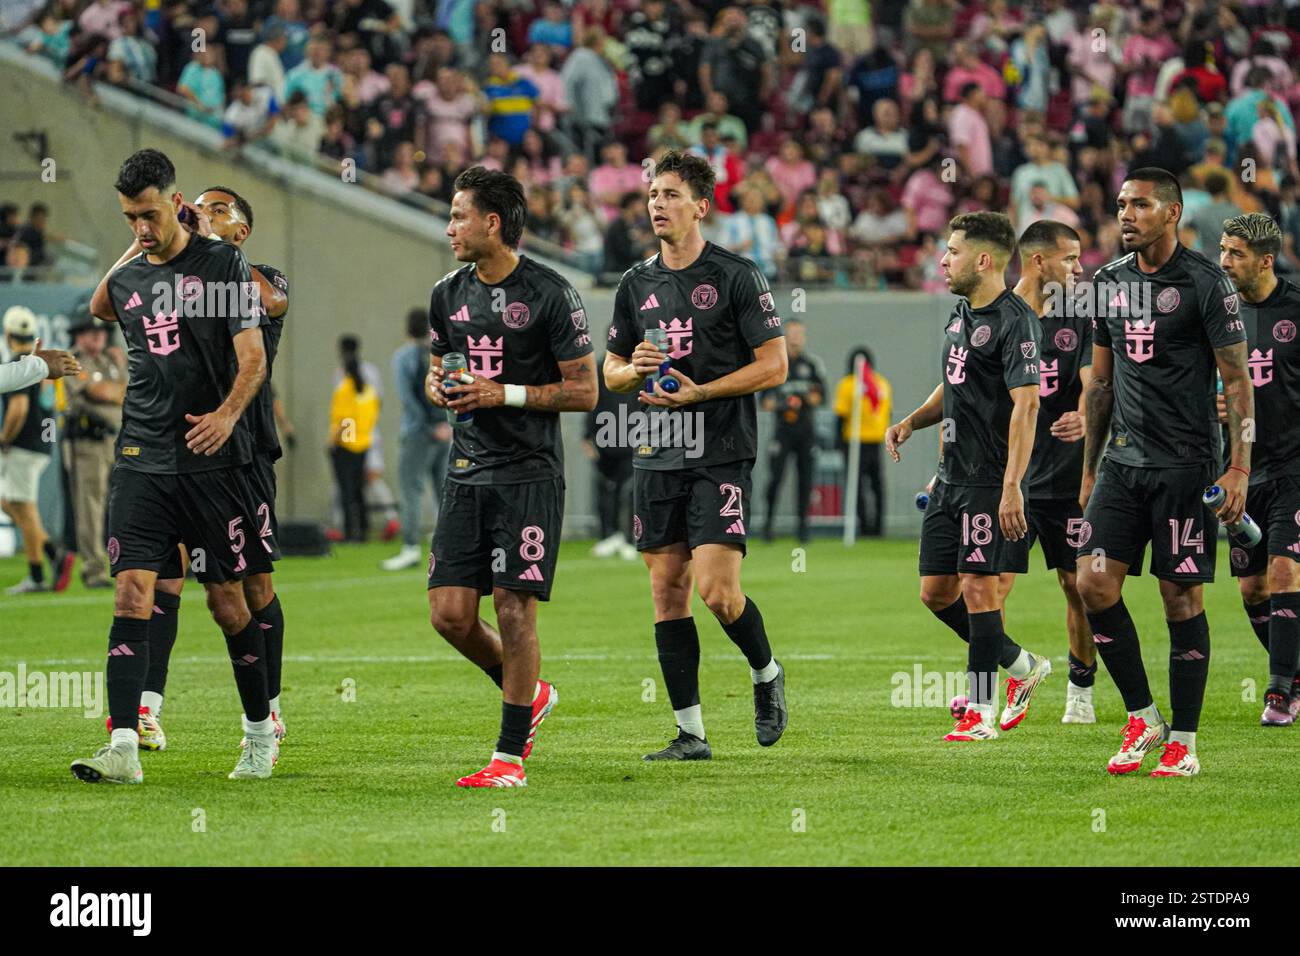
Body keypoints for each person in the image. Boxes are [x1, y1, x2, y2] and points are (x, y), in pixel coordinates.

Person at [70, 149, 273, 785]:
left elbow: (253, 359)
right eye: (130, 217)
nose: (141, 227)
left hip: (213, 460)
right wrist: (139, 243)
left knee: (226, 602)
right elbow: (100, 304)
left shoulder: (222, 263)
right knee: (132, 590)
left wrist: (228, 415)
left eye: (150, 214)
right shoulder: (130, 275)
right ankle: (124, 745)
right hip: (141, 457)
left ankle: (260, 731)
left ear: (174, 199)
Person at [603, 150, 789, 761]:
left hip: (721, 449)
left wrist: (702, 390)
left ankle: (765, 672)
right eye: (653, 194)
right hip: (657, 451)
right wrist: (634, 369)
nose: (658, 204)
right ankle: (691, 733)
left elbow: (774, 365)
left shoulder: (737, 275)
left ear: (701, 206)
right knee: (666, 591)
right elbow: (610, 372)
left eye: (672, 194)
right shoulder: (636, 283)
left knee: (717, 590)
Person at [1077, 168, 1254, 778]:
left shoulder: (1209, 284)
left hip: (1186, 466)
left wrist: (1237, 466)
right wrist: (1089, 470)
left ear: (1173, 213)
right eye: (1122, 203)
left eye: (1141, 204)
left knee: (1179, 598)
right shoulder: (1106, 282)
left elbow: (1237, 380)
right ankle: (1143, 716)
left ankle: (1184, 740)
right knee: (1093, 585)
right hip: (1122, 466)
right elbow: (1099, 382)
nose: (1126, 213)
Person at [425, 166, 597, 788]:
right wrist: (438, 384)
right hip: (466, 470)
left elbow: (585, 391)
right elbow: (439, 366)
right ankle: (529, 693)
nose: (449, 228)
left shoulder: (552, 293)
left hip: (528, 473)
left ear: (492, 223)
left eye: (458, 216)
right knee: (448, 614)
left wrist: (506, 395)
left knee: (514, 608)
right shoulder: (447, 292)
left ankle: (508, 758)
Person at [105, 185, 292, 752]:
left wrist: (203, 239)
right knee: (160, 577)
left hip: (243, 450)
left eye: (221, 210)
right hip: (172, 452)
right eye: (201, 205)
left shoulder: (256, 275)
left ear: (242, 230)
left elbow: (272, 306)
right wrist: (151, 240)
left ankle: (270, 708)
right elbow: (113, 299)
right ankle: (145, 710)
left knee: (247, 587)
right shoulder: (178, 269)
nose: (205, 215)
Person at [885, 211, 1051, 741]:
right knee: (935, 593)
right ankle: (1023, 666)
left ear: (983, 259)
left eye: (952, 251)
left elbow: (1027, 408)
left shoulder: (1015, 320)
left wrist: (1011, 487)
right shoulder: (959, 316)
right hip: (949, 479)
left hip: (989, 480)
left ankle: (979, 713)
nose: (943, 259)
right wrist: (912, 420)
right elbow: (952, 386)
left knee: (980, 590)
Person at [1007, 220, 1097, 724]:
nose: (1079, 270)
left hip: (1065, 476)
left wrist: (1085, 416)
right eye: (1070, 259)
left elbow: (1093, 379)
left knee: (1076, 583)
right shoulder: (998, 313)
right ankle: (991, 686)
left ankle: (1080, 691)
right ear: (1039, 260)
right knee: (985, 586)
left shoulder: (1079, 312)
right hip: (1009, 480)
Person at [1216, 213, 1300, 726]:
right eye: (1223, 251)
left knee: (1284, 568)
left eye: (1235, 253)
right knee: (1252, 589)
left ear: (1265, 260)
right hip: (1244, 469)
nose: (1224, 262)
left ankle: (1277, 694)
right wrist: (1216, 406)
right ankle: (1295, 676)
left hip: (1294, 464)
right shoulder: (1217, 315)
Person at [1, 306, 74, 594]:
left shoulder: (20, 363)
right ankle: (54, 552)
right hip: (41, 442)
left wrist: (5, 438)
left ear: (8, 334)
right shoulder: (37, 361)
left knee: (25, 510)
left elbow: (18, 409)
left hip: (23, 444)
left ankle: (37, 575)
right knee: (11, 504)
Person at [383, 307, 451, 570]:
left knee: (411, 489)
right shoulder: (440, 356)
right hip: (445, 431)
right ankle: (448, 546)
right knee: (444, 490)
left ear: (406, 329)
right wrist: (445, 423)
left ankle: (410, 547)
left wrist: (428, 425)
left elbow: (408, 398)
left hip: (417, 432)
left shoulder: (404, 357)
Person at [63, 313, 125, 590]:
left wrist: (110, 388)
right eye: (91, 332)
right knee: (90, 507)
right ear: (79, 335)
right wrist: (110, 390)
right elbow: (97, 391)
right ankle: (94, 569)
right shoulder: (72, 360)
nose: (98, 337)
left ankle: (121, 563)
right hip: (87, 442)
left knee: (120, 506)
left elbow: (128, 391)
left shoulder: (110, 359)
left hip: (115, 440)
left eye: (101, 333)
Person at [760, 318, 825, 543]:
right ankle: (767, 527)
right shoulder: (777, 365)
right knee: (775, 478)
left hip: (805, 432)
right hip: (782, 431)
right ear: (785, 337)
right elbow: (765, 401)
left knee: (805, 480)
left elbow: (820, 397)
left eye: (800, 333)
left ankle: (803, 529)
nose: (796, 338)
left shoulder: (812, 365)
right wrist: (784, 405)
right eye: (792, 333)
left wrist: (804, 400)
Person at [833, 347, 892, 537]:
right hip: (854, 442)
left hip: (875, 441)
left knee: (876, 486)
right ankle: (863, 526)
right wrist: (840, 443)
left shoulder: (880, 383)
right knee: (857, 487)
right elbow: (840, 417)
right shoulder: (848, 385)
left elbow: (887, 413)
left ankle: (877, 527)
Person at [584, 354, 637, 560]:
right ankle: (608, 536)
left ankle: (630, 539)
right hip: (605, 439)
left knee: (631, 490)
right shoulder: (600, 368)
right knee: (606, 489)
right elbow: (592, 402)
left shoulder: (641, 367)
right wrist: (587, 436)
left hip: (633, 436)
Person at [330, 335, 379, 543]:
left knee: (346, 490)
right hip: (364, 443)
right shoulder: (368, 390)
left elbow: (342, 419)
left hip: (346, 445)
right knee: (359, 490)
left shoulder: (344, 389)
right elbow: (372, 414)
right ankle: (364, 529)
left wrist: (335, 441)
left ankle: (351, 532)